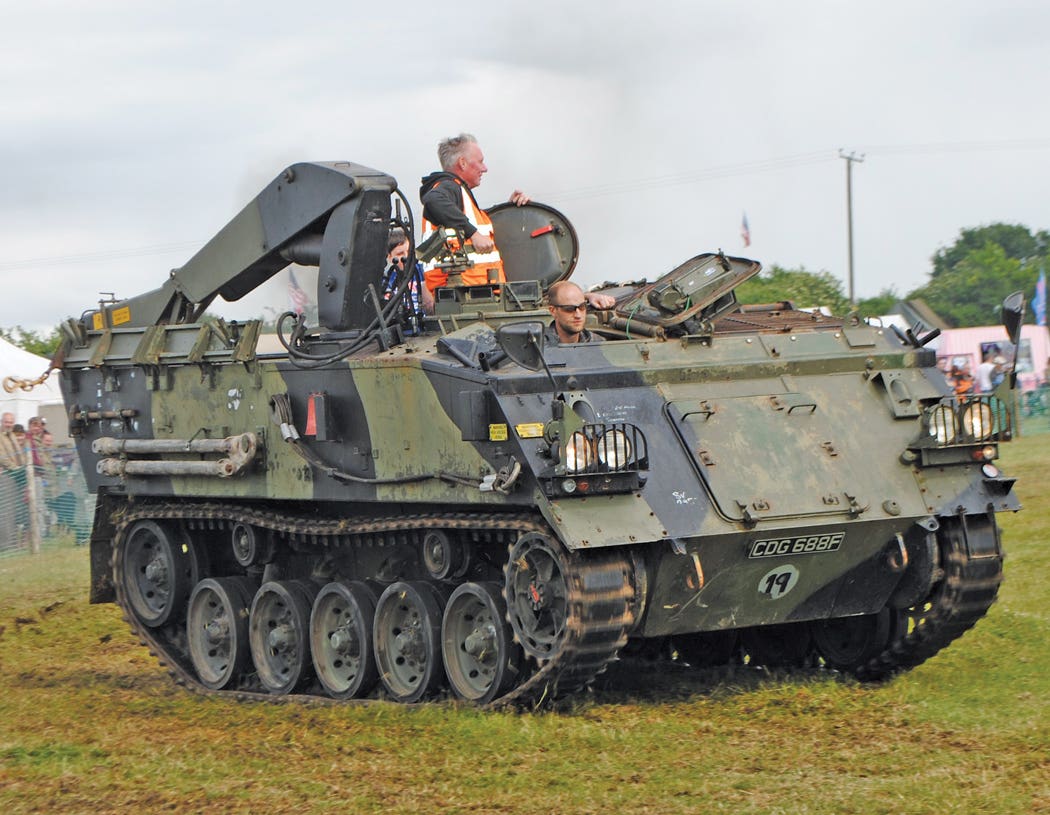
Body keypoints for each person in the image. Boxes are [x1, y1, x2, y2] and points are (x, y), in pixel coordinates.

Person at [418, 133, 616, 309]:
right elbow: (434, 201)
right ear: (462, 163)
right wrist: (473, 233)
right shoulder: (447, 187)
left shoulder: (460, 197)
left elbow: (461, 225)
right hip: (467, 302)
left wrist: (513, 210)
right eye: (480, 161)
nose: (484, 168)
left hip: (479, 298)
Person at [381, 227, 433, 334]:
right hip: (400, 332)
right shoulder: (386, 281)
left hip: (423, 329)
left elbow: (431, 305)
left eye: (409, 252)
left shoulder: (422, 272)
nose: (406, 257)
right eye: (400, 254)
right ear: (389, 257)